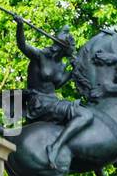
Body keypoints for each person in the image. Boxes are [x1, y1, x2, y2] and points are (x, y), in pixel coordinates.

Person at [15, 19, 94, 168]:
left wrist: (73, 70)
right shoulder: (41, 56)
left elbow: (58, 84)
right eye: (73, 47)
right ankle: (55, 147)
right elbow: (22, 45)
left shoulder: (61, 64)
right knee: (84, 115)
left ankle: (97, 170)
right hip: (40, 102)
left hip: (53, 101)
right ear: (64, 47)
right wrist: (20, 26)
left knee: (80, 120)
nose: (74, 50)